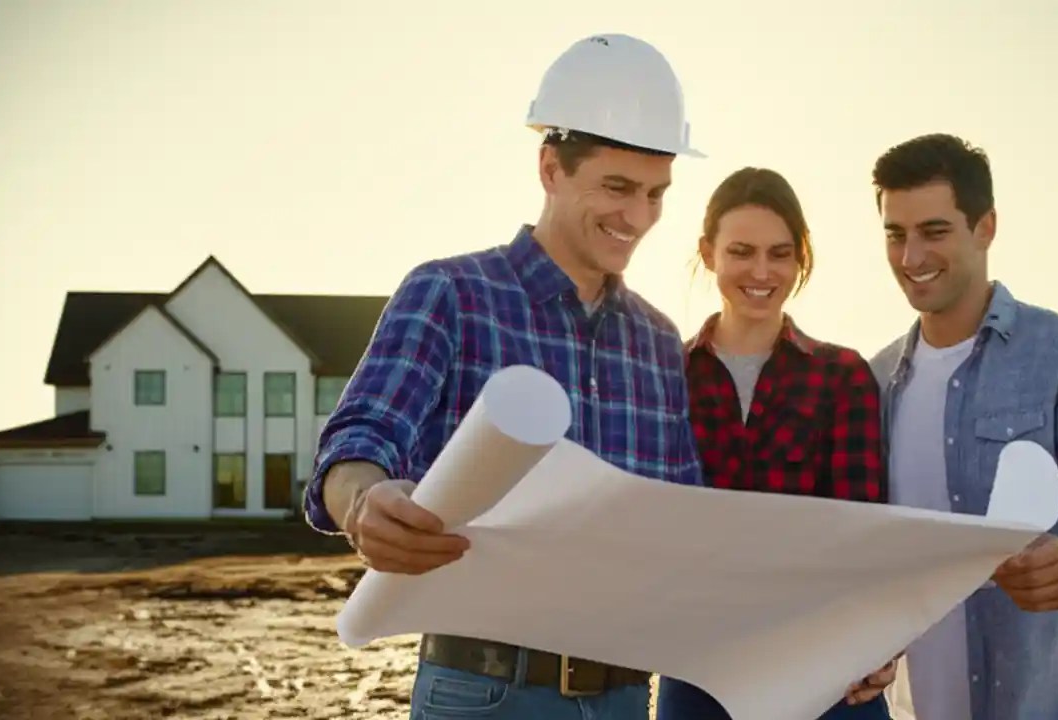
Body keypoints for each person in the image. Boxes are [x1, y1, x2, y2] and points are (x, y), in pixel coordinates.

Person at [303, 34, 707, 720]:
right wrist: (364, 502)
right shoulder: (451, 294)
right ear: (551, 167)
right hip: (487, 694)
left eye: (655, 193)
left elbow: (684, 523)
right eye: (616, 187)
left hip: (624, 697)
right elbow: (360, 439)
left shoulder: (658, 340)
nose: (637, 217)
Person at [867, 133, 1058, 720]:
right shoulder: (873, 382)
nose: (911, 258)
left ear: (986, 227)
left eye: (934, 231)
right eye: (895, 235)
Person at [655, 167, 897, 720]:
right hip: (700, 670)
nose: (761, 272)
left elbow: (863, 531)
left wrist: (880, 640)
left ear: (800, 257)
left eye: (780, 253)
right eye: (741, 251)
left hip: (828, 670)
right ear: (708, 252)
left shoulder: (842, 375)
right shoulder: (668, 373)